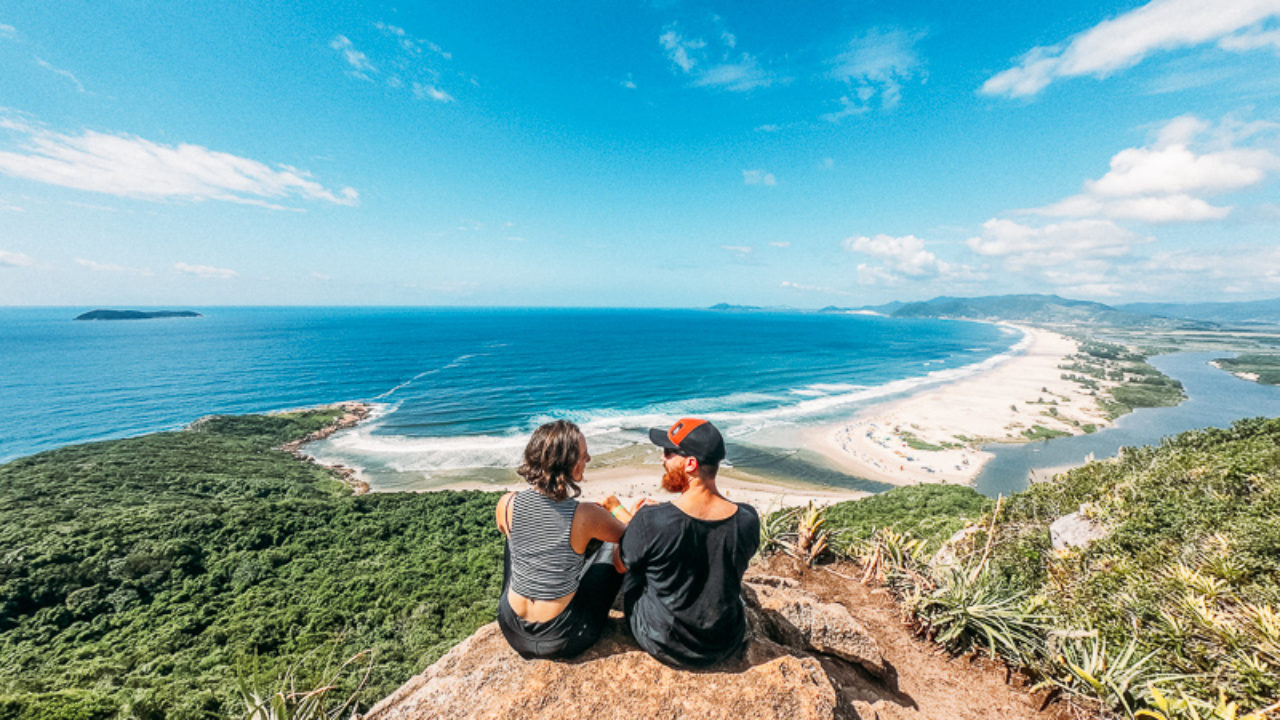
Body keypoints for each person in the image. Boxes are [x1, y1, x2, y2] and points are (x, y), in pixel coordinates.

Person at [617, 418, 760, 667]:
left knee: (627, 562)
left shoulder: (652, 520)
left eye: (669, 453)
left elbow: (620, 564)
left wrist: (632, 523)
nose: (663, 458)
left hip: (664, 642)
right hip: (725, 641)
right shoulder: (748, 519)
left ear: (690, 464)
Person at [494, 420, 629, 659]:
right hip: (564, 636)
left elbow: (516, 536)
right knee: (615, 544)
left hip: (511, 627)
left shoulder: (507, 503)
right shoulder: (585, 514)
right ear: (566, 464)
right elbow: (633, 536)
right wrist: (616, 509)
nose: (588, 459)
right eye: (583, 455)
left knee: (514, 539)